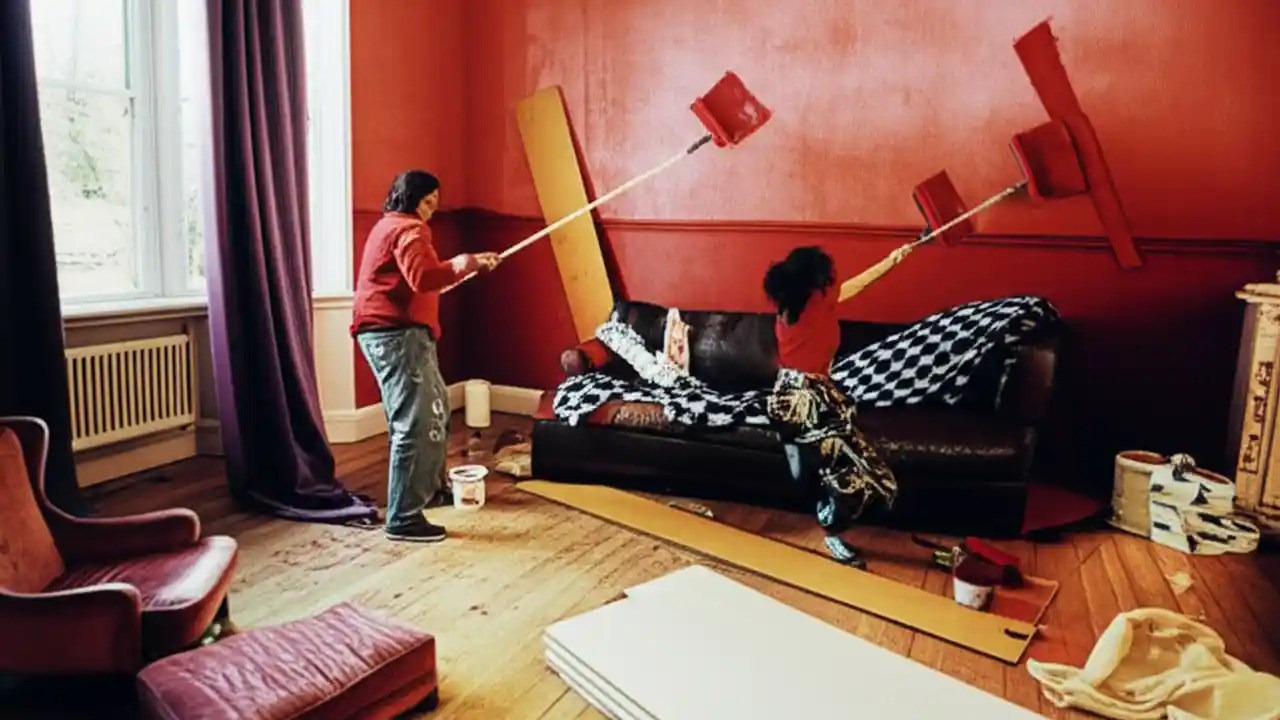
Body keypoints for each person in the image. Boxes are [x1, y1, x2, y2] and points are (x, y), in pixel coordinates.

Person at [351, 170, 500, 542]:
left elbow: (423, 276)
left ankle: (428, 493)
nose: (432, 210)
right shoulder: (410, 229)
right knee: (415, 424)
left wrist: (471, 263)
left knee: (433, 414)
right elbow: (422, 277)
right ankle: (403, 517)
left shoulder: (390, 226)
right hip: (396, 334)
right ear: (412, 199)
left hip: (397, 332)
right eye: (428, 201)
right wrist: (466, 262)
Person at [761, 242, 914, 568]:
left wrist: (893, 258)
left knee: (823, 471)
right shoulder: (818, 303)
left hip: (787, 395)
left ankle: (795, 451)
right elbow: (860, 283)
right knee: (858, 473)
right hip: (808, 398)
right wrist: (893, 259)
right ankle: (831, 530)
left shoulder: (788, 307)